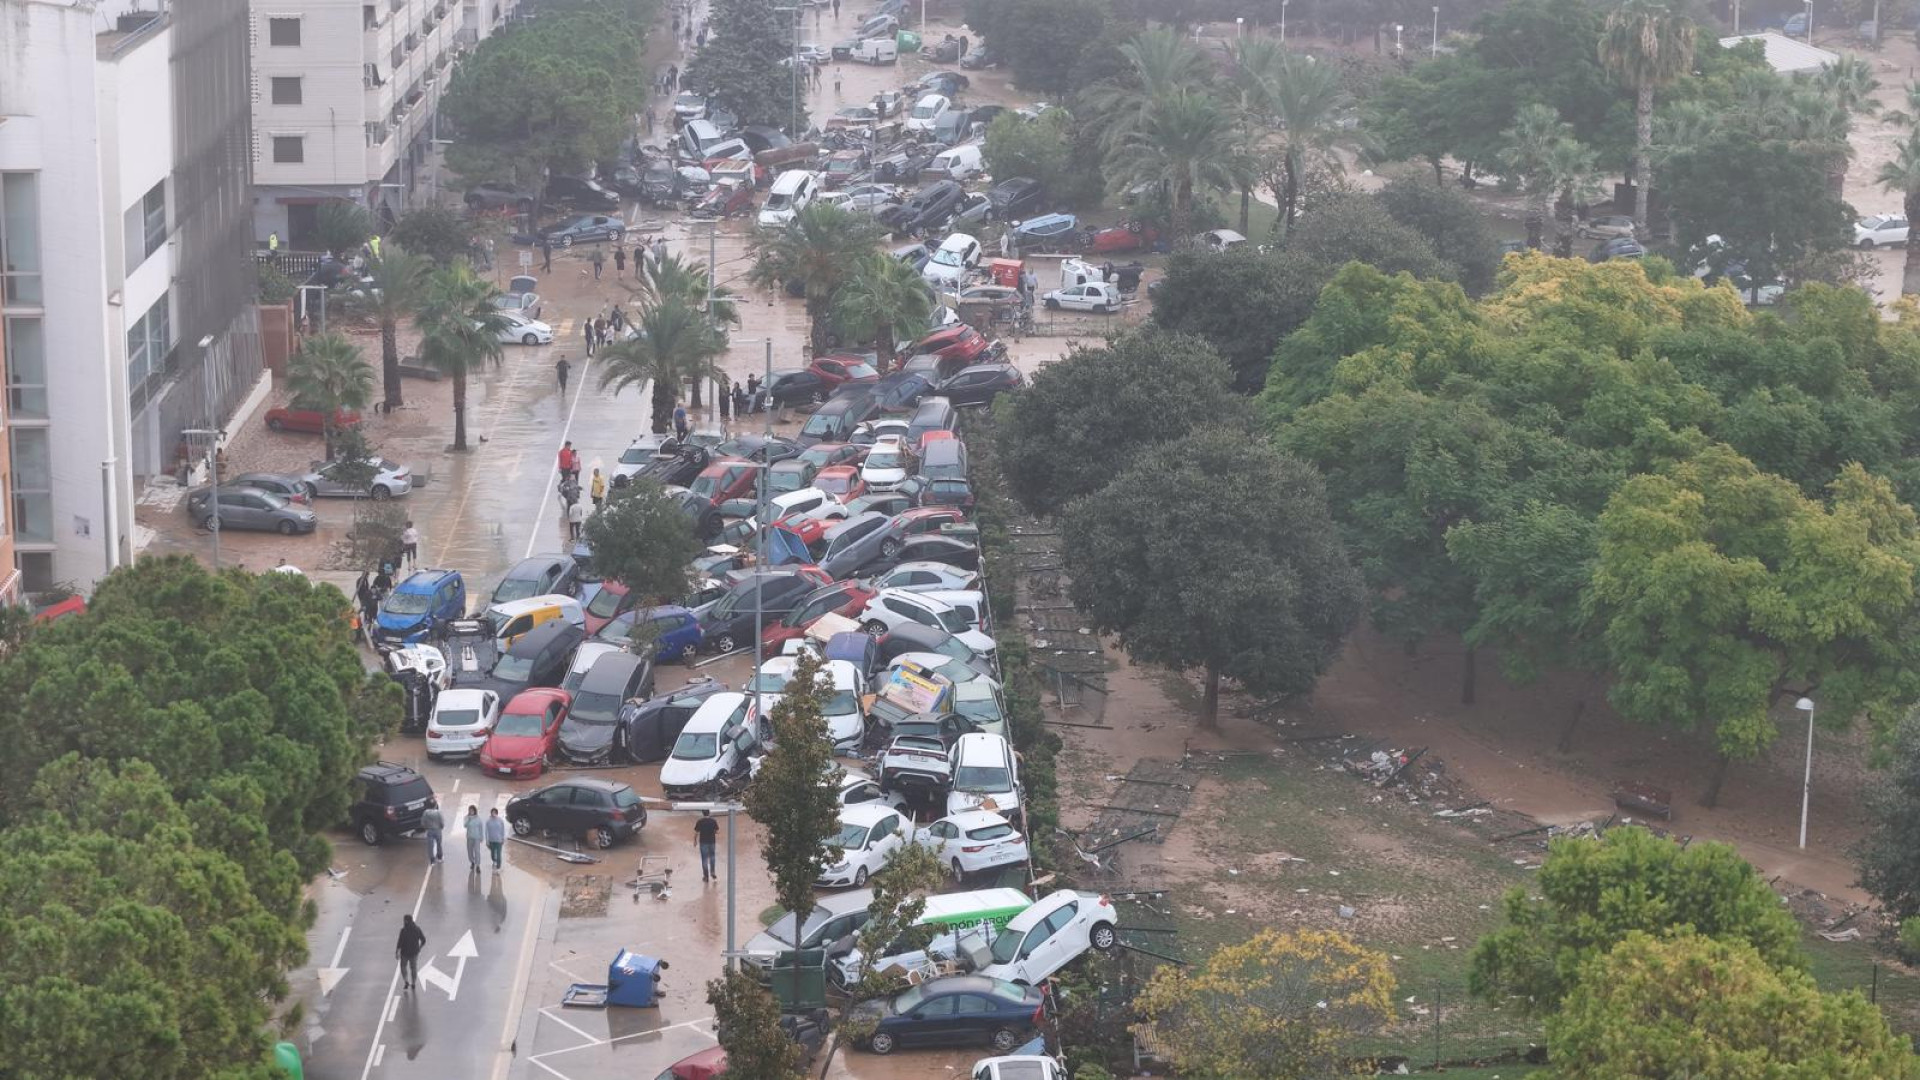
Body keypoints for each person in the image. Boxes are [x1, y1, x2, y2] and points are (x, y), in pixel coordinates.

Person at [396, 915, 426, 990]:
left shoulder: (403, 930)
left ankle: (406, 980)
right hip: (414, 953)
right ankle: (413, 983)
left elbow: (399, 943)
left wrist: (397, 952)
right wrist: (419, 948)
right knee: (413, 968)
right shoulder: (417, 929)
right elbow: (423, 940)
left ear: (406, 921)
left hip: (404, 953)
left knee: (403, 967)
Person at [694, 809, 719, 882]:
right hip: (712, 842)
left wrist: (695, 841)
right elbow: (716, 831)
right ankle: (713, 872)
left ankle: (706, 876)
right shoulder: (713, 821)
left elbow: (696, 832)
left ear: (702, 813)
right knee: (712, 857)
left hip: (703, 842)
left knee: (704, 859)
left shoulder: (700, 821)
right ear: (709, 813)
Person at [421, 799, 445, 865]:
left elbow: (423, 822)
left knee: (430, 846)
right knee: (439, 844)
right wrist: (441, 827)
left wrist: (426, 827)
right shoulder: (438, 812)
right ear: (435, 805)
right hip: (437, 830)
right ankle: (439, 857)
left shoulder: (425, 812)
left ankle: (432, 860)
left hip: (430, 830)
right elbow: (442, 822)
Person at [464, 805, 484, 874]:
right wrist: (469, 820)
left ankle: (478, 865)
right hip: (469, 837)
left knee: (477, 851)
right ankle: (472, 861)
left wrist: (481, 837)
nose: (471, 812)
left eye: (472, 810)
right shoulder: (467, 817)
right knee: (469, 851)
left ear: (474, 811)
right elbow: (465, 825)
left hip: (477, 838)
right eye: (470, 810)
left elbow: (481, 828)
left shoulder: (478, 818)